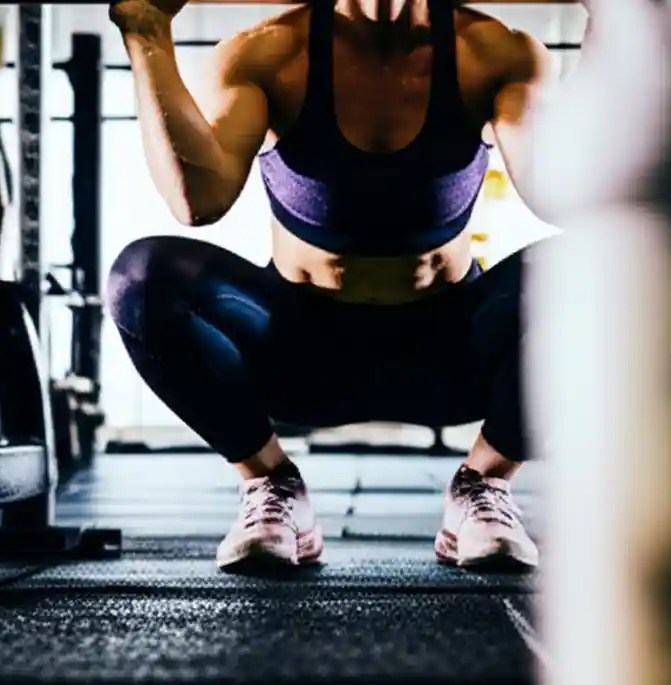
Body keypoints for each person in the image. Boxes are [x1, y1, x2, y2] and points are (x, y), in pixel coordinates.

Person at [106, 0, 561, 571]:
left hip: (452, 355)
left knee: (613, 261)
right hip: (300, 354)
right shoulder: (267, 53)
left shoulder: (497, 52)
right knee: (143, 278)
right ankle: (268, 485)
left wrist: (614, 39)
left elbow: (558, 195)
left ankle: (484, 485)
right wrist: (147, 33)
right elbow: (198, 202)